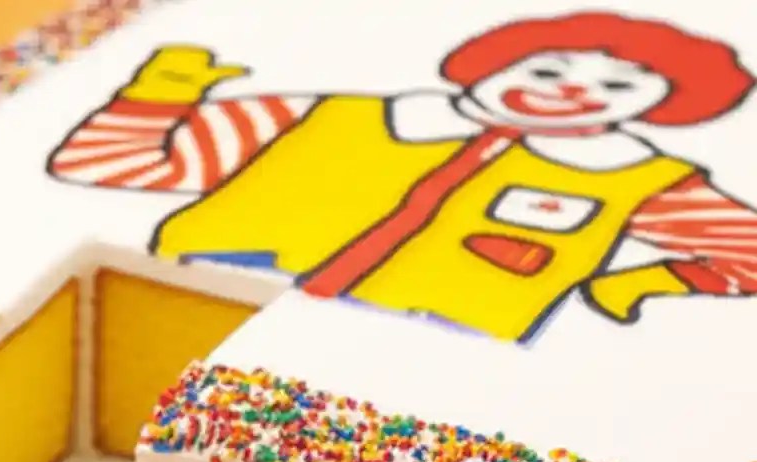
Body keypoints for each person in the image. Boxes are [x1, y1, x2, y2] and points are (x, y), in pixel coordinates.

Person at [48, 12, 757, 343]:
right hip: (189, 305)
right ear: (493, 66)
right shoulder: (326, 118)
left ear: (655, 110)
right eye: (545, 69)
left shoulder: (640, 178)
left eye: (615, 89)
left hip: (435, 361)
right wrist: (161, 97)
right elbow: (106, 163)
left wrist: (643, 279)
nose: (570, 92)